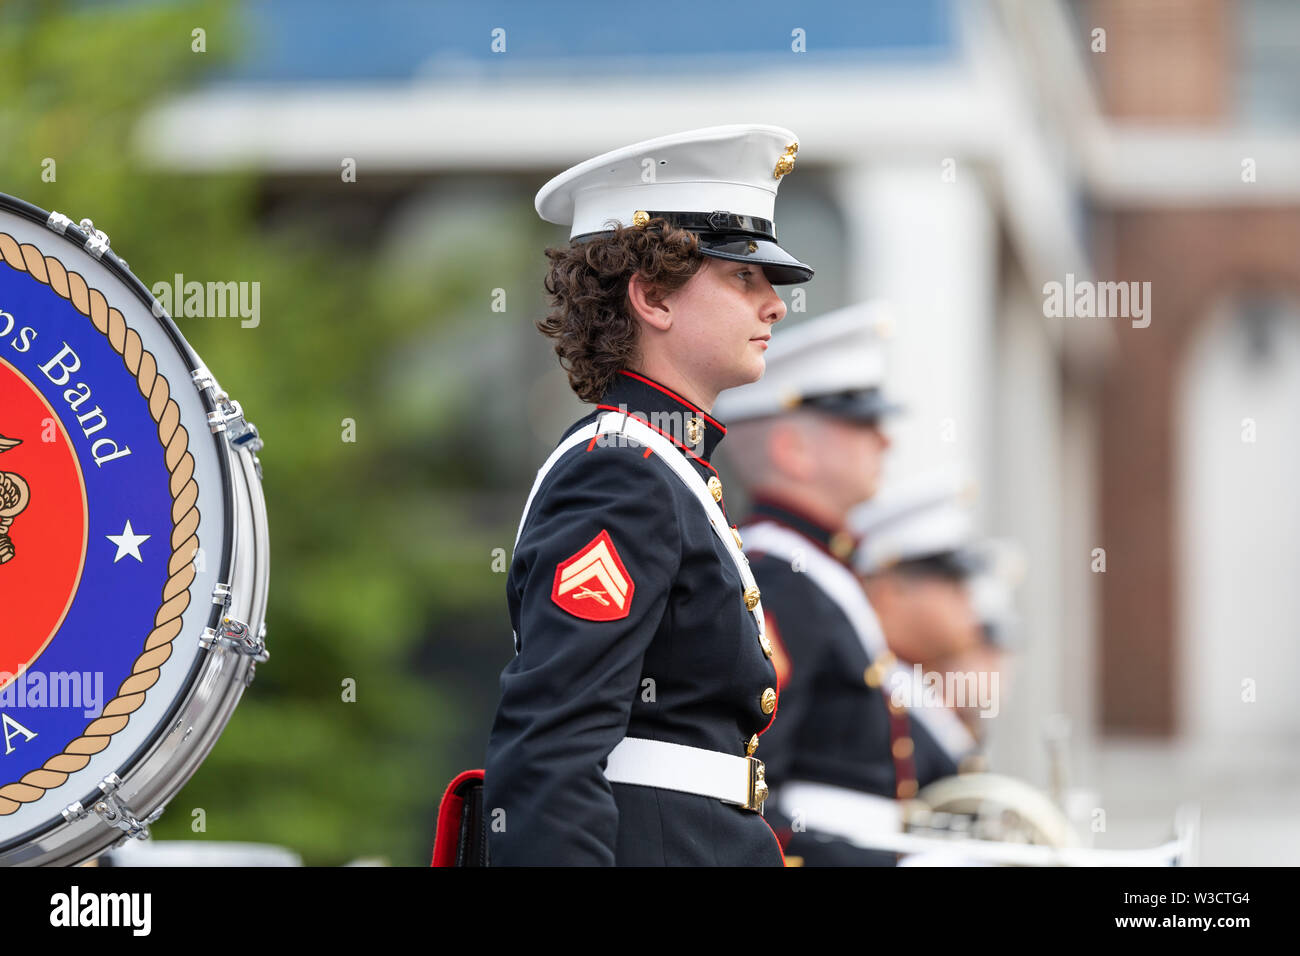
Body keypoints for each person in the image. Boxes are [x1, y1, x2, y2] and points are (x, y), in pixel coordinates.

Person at [475, 125, 814, 866]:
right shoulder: (621, 473)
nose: (774, 307)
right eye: (744, 278)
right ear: (653, 296)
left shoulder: (667, 469)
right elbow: (550, 754)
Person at [714, 304, 980, 866]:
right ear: (794, 450)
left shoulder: (819, 573)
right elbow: (748, 793)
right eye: (860, 424)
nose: (885, 441)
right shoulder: (777, 580)